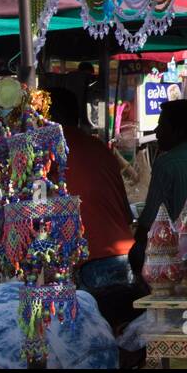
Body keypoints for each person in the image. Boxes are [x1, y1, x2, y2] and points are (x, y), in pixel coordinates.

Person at [46, 87, 136, 294]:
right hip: (123, 254)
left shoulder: (50, 152)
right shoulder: (98, 147)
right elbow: (126, 213)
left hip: (92, 259)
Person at [129, 98, 187, 273]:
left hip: (173, 253)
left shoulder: (166, 163)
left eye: (162, 126)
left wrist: (137, 244)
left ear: (178, 131)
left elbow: (151, 218)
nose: (157, 132)